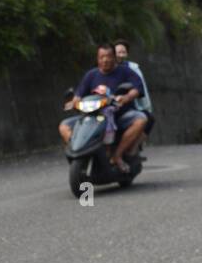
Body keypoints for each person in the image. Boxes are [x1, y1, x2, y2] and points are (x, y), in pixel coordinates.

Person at [58, 42, 147, 173]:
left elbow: (137, 88)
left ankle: (117, 155)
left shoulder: (125, 71)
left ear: (114, 57)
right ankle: (77, 151)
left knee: (141, 119)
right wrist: (75, 102)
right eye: (101, 57)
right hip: (93, 117)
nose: (105, 60)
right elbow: (79, 94)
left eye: (108, 56)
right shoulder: (91, 75)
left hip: (119, 116)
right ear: (97, 58)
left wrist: (126, 97)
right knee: (64, 126)